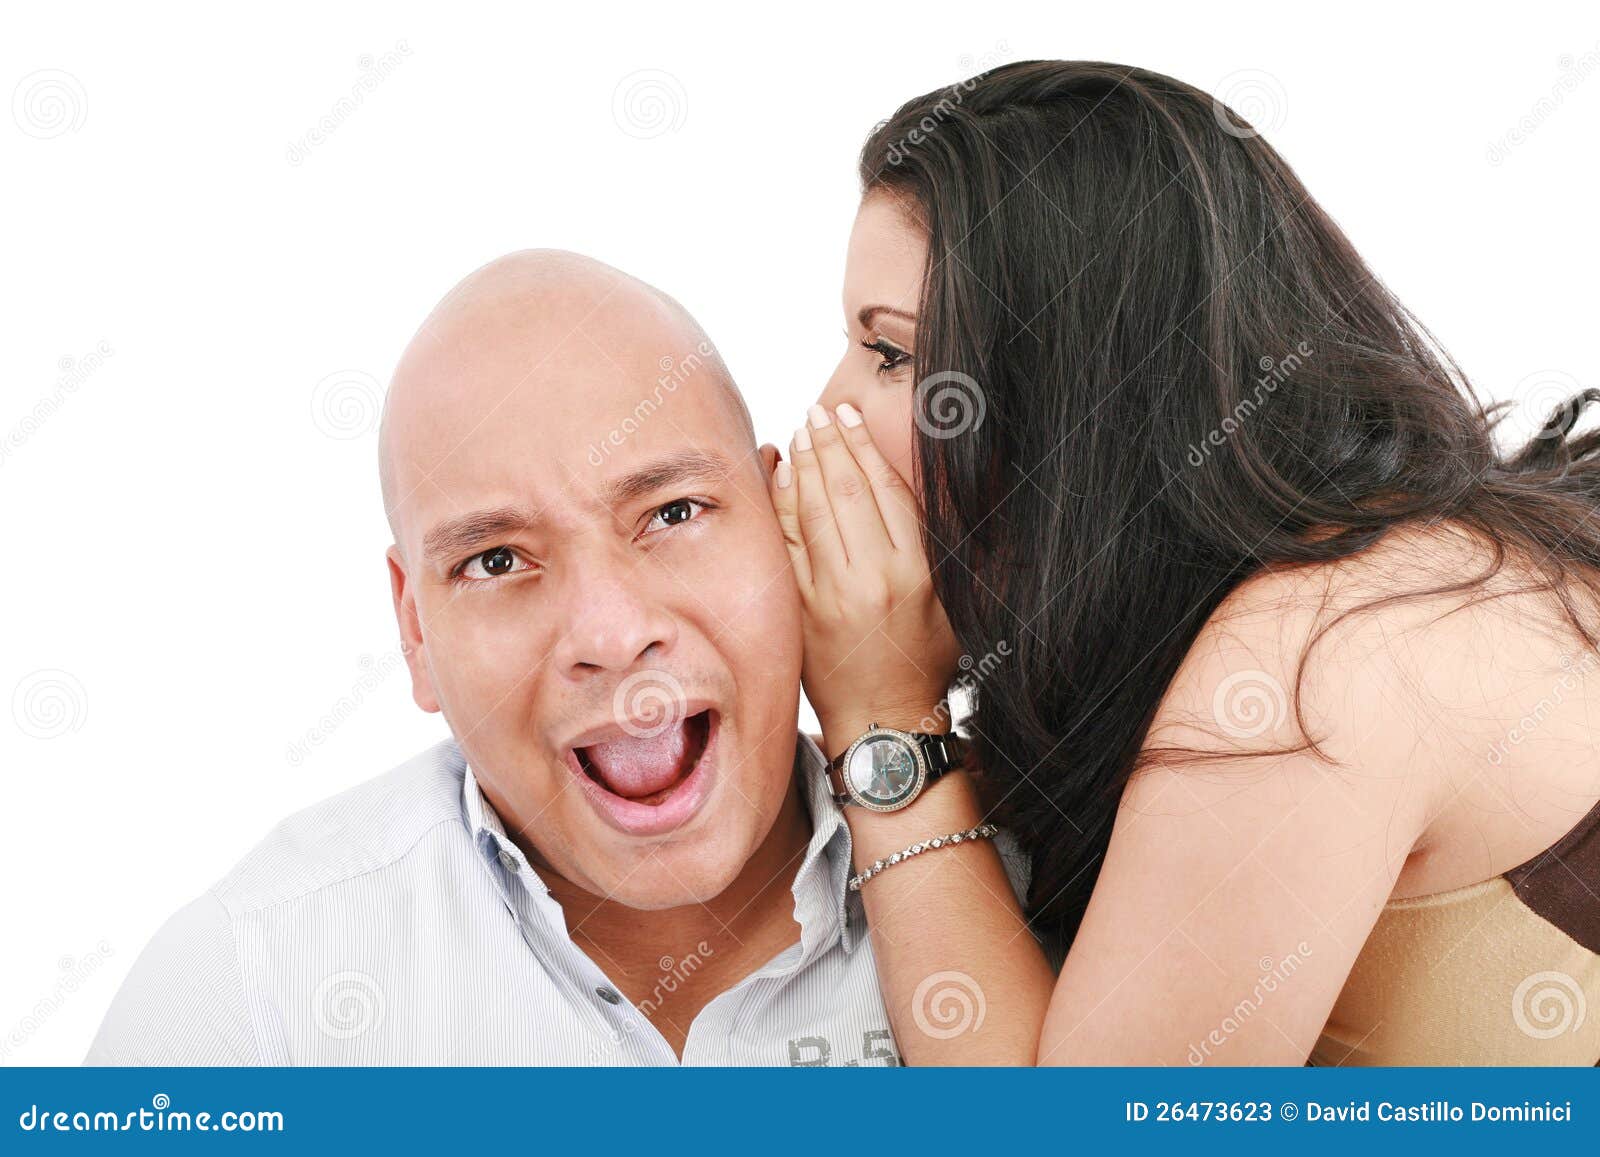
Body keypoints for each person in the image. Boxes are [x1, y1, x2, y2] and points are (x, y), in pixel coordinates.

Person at [771, 60, 1600, 1065]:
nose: (829, 410)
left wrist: (882, 719)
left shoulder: (1316, 660)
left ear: (1084, 393)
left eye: (894, 354)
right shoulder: (1329, 576)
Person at [85, 250, 970, 1066]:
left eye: (673, 511)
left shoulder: (1033, 901)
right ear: (416, 631)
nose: (614, 633)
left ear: (785, 525)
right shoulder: (244, 992)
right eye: (496, 561)